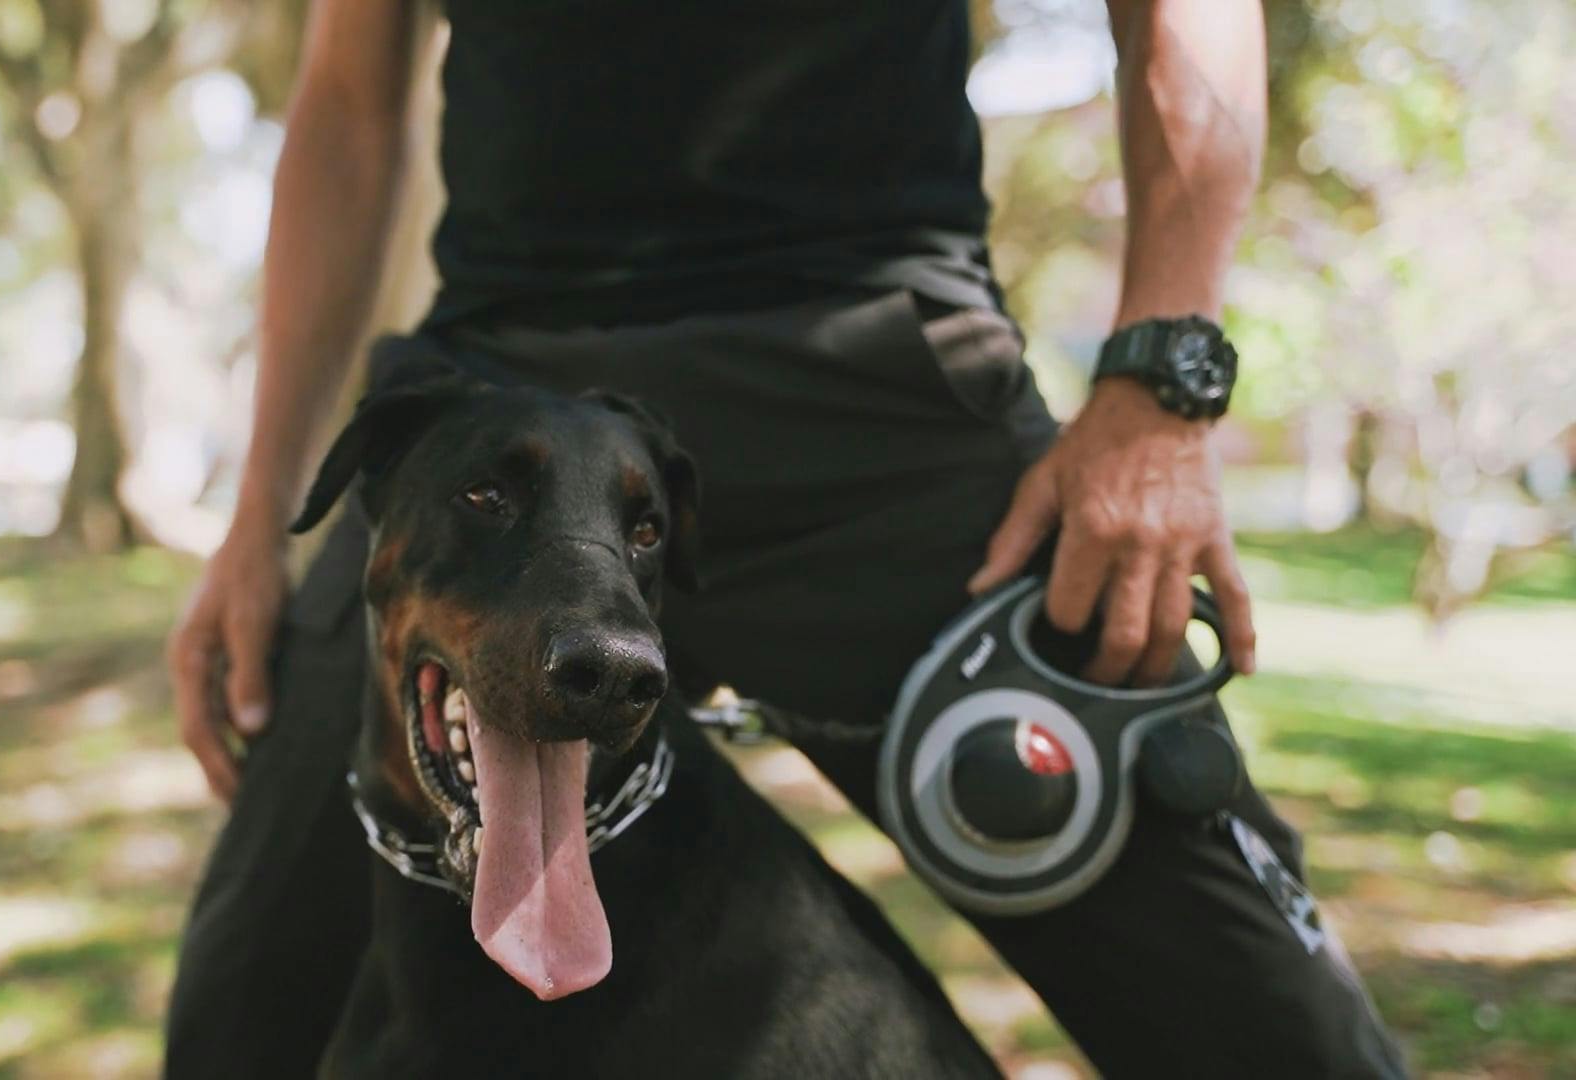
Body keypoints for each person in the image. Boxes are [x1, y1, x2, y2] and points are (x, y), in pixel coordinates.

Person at [163, 0, 1407, 1075]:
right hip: (497, 421)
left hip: (888, 402)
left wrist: (1160, 386)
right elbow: (344, 97)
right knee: (240, 1023)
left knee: (1283, 1041)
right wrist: (263, 511)